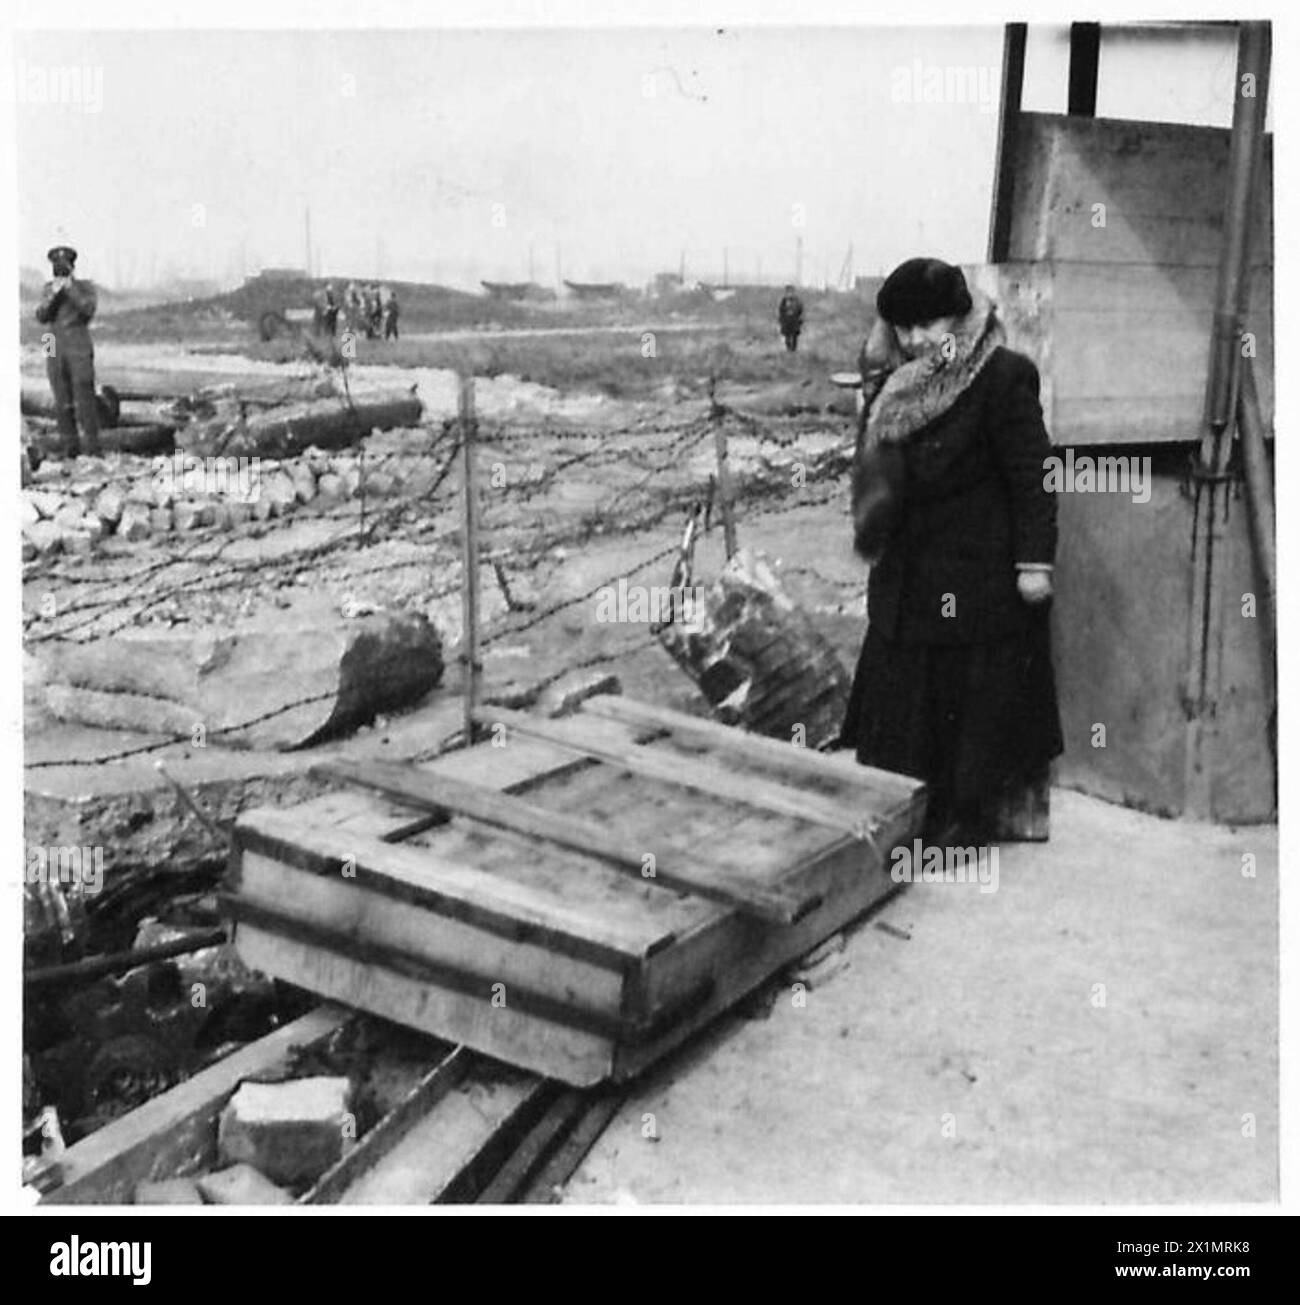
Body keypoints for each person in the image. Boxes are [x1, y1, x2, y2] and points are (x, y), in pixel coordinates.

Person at [839, 257, 1062, 845]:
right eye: (903, 328)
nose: (914, 341)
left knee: (960, 710)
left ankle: (957, 824)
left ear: (958, 318)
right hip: (909, 570)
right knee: (905, 703)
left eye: (926, 325)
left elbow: (1033, 475)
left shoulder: (1002, 375)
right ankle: (901, 815)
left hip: (972, 576)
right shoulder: (895, 385)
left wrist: (1033, 563)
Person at [35, 245, 102, 458]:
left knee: (84, 398)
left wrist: (70, 288)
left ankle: (92, 449)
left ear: (72, 267)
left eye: (64, 266)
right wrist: (54, 294)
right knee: (61, 400)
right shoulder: (48, 288)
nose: (60, 271)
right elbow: (41, 316)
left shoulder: (85, 287)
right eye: (57, 267)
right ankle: (69, 449)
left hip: (79, 344)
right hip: (52, 343)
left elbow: (88, 310)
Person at [777, 285, 804, 352]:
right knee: (787, 336)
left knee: (794, 336)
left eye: (791, 292)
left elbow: (801, 310)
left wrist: (800, 319)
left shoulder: (797, 301)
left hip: (795, 321)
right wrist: (780, 320)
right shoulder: (783, 301)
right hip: (786, 321)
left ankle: (793, 349)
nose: (789, 294)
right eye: (788, 292)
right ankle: (788, 349)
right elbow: (781, 311)